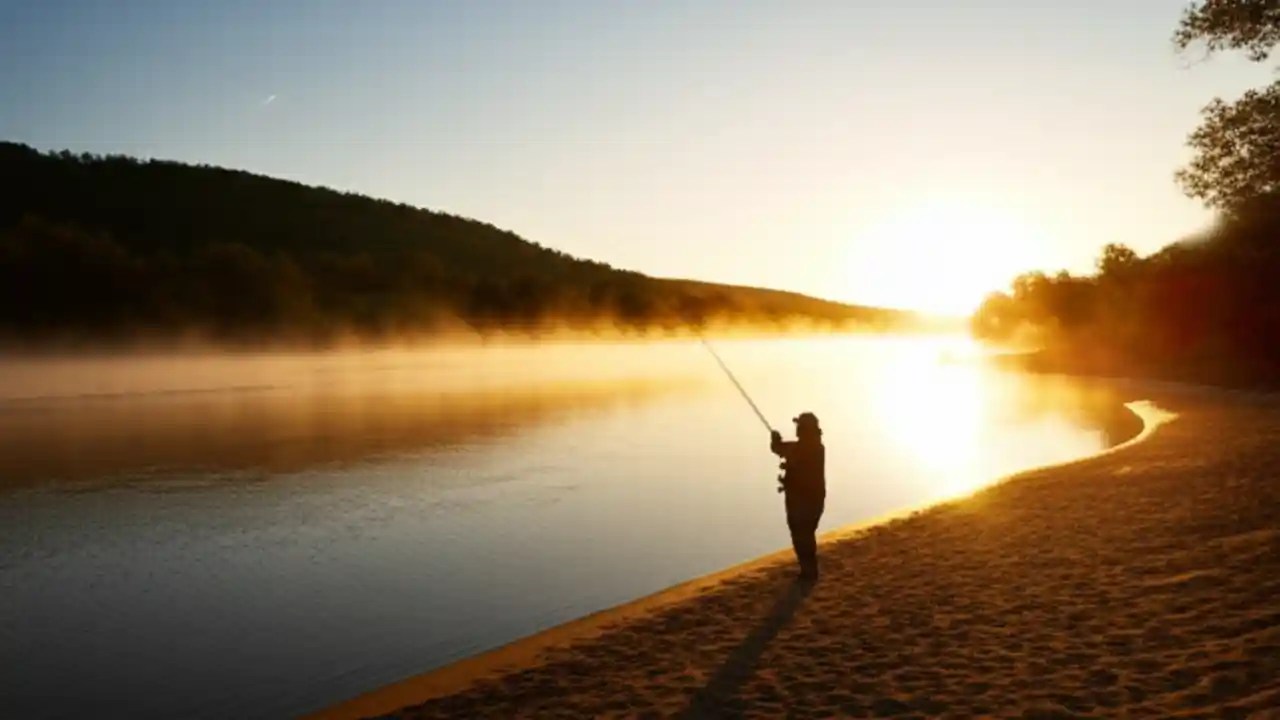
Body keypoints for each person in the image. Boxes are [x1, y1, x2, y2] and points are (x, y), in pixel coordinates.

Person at [770, 412, 826, 582]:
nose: (797, 429)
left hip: (802, 501)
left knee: (801, 535)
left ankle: (808, 573)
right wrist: (777, 443)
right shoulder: (815, 447)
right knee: (805, 535)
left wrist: (775, 441)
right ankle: (809, 571)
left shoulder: (805, 448)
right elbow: (782, 449)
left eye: (799, 426)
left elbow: (780, 449)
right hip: (812, 500)